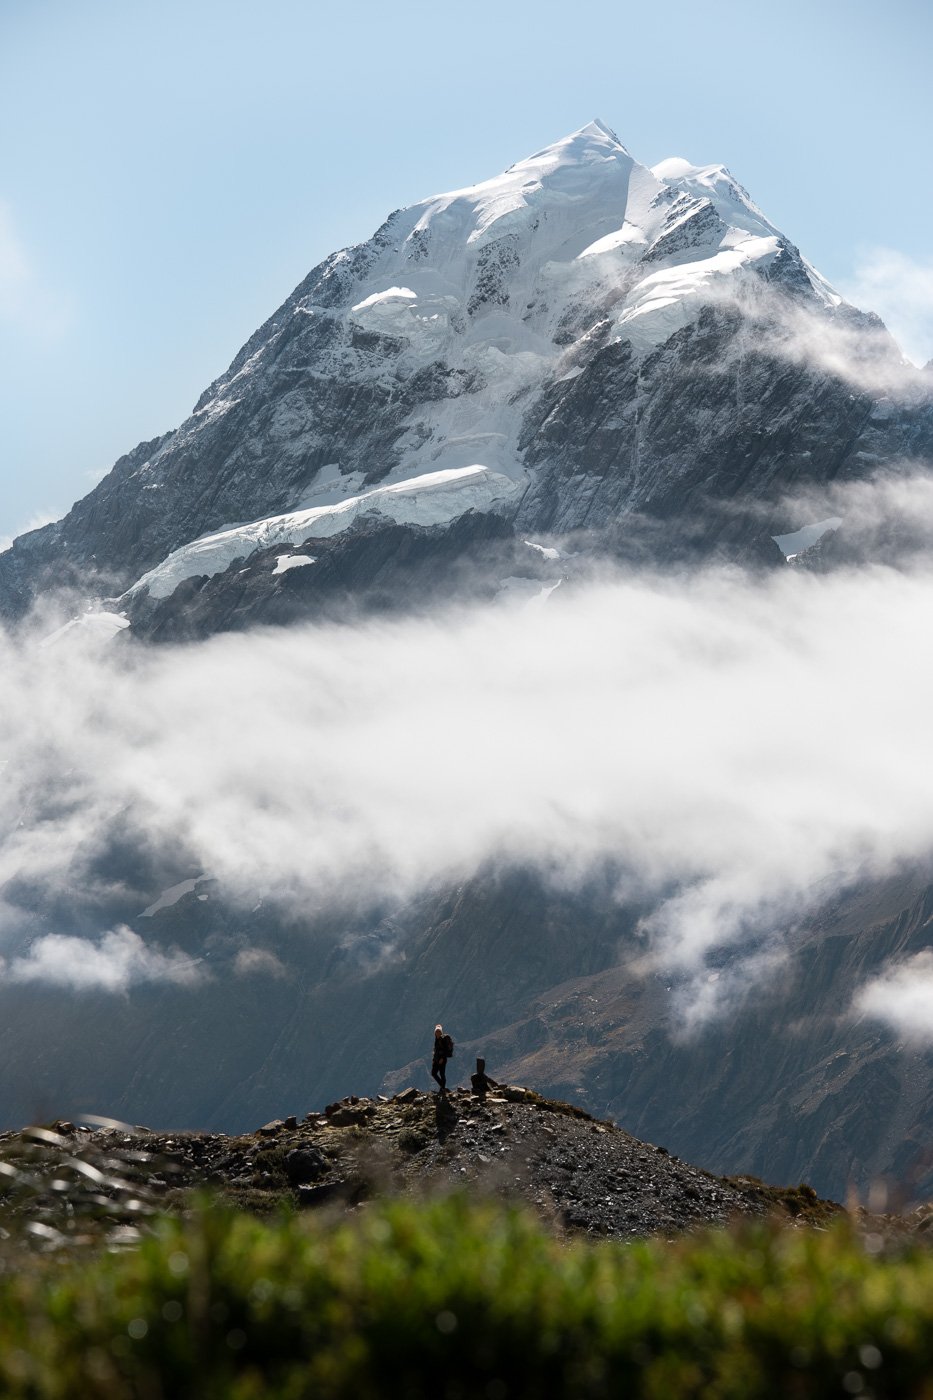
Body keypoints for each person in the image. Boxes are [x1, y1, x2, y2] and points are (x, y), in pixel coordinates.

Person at [431, 1024, 451, 1094]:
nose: (437, 1033)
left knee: (442, 1074)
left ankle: (442, 1088)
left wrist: (442, 1058)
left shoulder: (442, 1039)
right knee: (433, 1073)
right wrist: (433, 1060)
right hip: (436, 1059)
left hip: (442, 1060)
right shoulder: (436, 1040)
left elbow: (445, 1050)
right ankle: (443, 1087)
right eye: (436, 1031)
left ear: (441, 1032)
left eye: (439, 1031)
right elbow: (436, 1050)